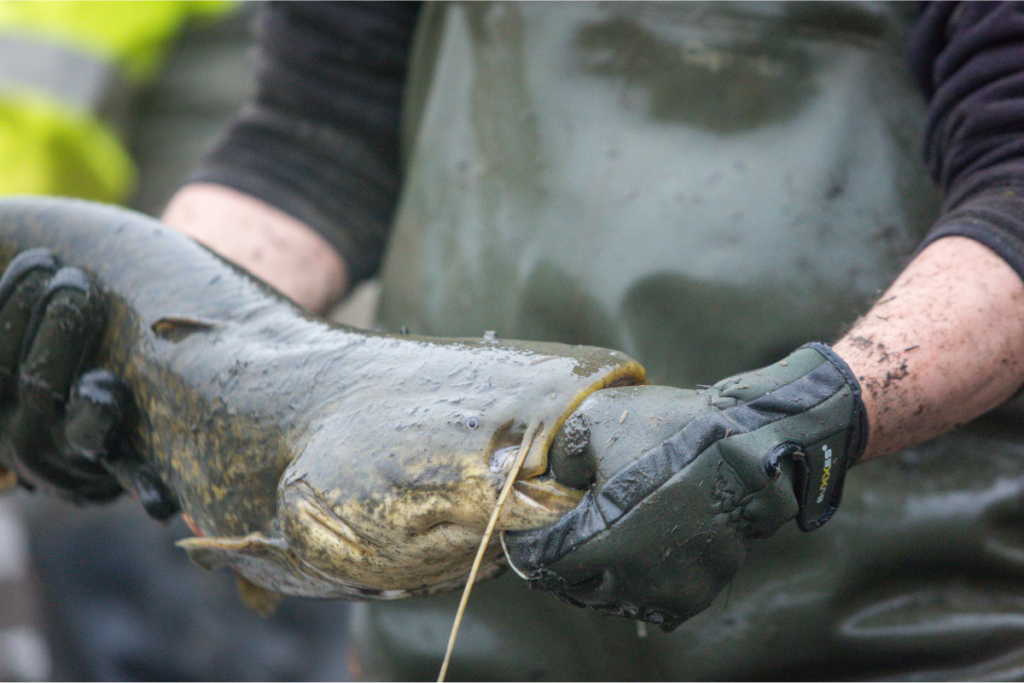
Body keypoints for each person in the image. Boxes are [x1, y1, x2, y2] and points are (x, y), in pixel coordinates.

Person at [5, 1, 1024, 679]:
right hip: (446, 637)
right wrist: (135, 344)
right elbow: (312, 138)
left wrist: (820, 413)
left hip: (900, 630)